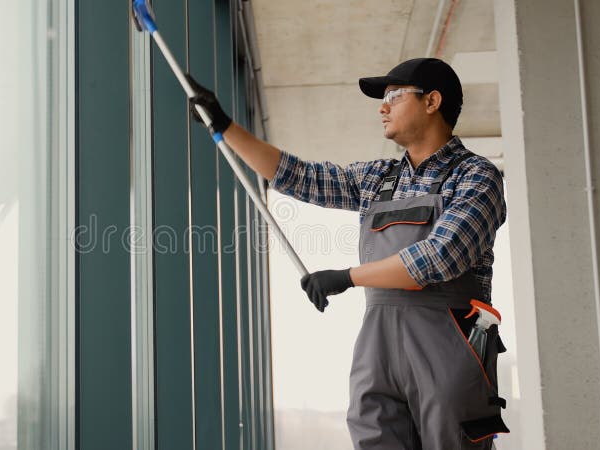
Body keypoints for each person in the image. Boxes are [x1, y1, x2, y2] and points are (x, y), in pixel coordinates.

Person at [187, 57, 510, 449]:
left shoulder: (476, 176)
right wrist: (224, 126)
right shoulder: (377, 178)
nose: (382, 106)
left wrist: (347, 276)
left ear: (432, 102)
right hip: (378, 349)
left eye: (394, 96)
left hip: (450, 343)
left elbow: (438, 257)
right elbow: (300, 177)